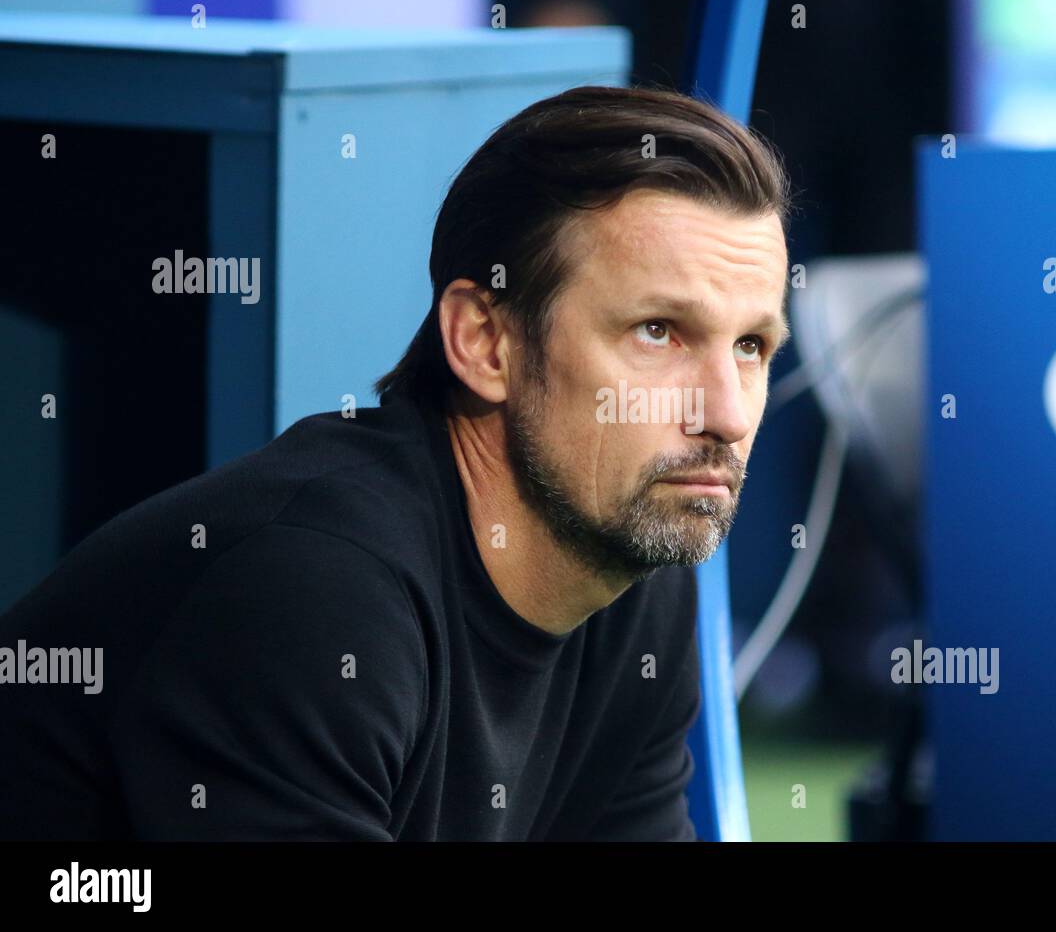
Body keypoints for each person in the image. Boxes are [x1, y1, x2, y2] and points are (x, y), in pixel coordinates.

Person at [0, 85, 792, 840]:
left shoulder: (633, 580)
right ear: (485, 342)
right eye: (658, 332)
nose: (725, 415)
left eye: (752, 346)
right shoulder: (315, 591)